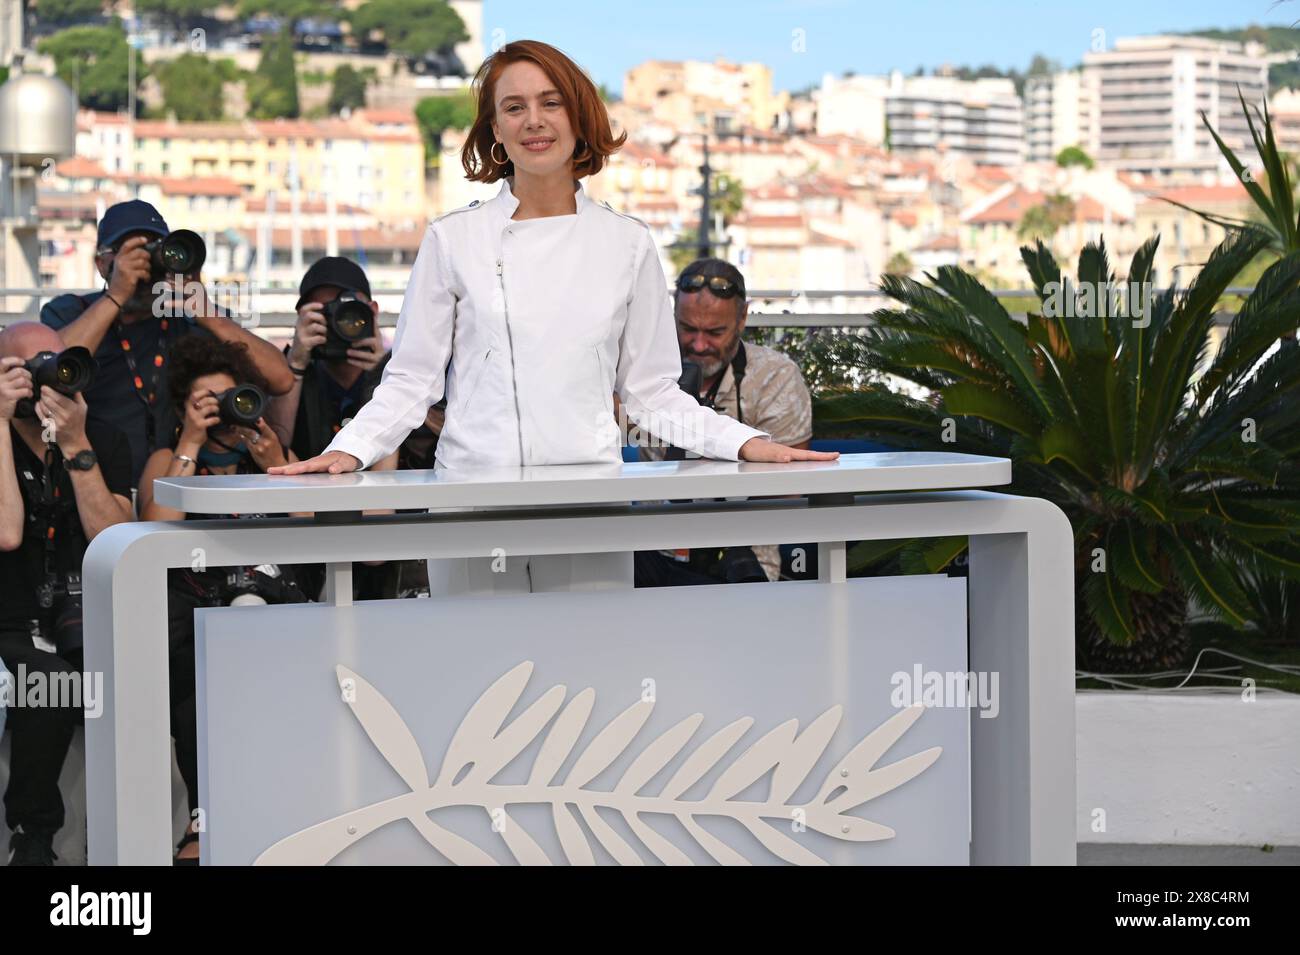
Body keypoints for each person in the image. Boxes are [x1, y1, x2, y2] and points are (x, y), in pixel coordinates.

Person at [269, 39, 837, 593]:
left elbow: (649, 395)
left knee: (591, 681)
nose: (533, 121)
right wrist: (348, 450)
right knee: (479, 681)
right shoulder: (453, 240)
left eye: (550, 102)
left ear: (578, 115)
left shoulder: (627, 245)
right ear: (496, 131)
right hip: (471, 502)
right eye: (514, 107)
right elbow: (413, 379)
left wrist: (744, 443)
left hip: (588, 506)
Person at [136, 336, 312, 864]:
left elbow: (313, 528)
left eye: (229, 396)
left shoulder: (274, 457)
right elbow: (156, 527)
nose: (220, 411)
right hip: (198, 624)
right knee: (197, 678)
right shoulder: (168, 459)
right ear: (182, 407)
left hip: (275, 618)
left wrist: (277, 463)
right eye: (204, 402)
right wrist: (190, 440)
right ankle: (204, 817)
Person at [41, 199, 295, 488]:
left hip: (173, 487)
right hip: (94, 482)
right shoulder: (71, 311)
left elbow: (282, 379)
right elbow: (50, 371)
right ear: (102, 264)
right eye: (131, 253)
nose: (145, 265)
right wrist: (116, 295)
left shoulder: (188, 319)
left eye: (154, 251)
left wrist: (207, 314)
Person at [0, 322, 134, 865]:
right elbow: (6, 532)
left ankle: (137, 843)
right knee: (50, 683)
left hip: (87, 618)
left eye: (56, 362)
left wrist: (76, 445)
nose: (48, 379)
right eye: (31, 367)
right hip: (10, 624)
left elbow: (116, 539)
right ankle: (34, 837)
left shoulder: (102, 435)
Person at [634, 258, 815, 586]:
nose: (699, 345)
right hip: (652, 547)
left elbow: (789, 489)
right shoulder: (643, 376)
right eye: (687, 329)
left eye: (715, 332)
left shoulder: (775, 377)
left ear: (743, 317)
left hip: (743, 554)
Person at [263, 256, 400, 599]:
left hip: (383, 548)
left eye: (347, 308)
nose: (338, 319)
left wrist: (383, 375)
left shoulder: (400, 375)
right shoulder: (294, 371)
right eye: (321, 312)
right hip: (308, 547)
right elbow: (278, 440)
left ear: (372, 310)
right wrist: (295, 361)